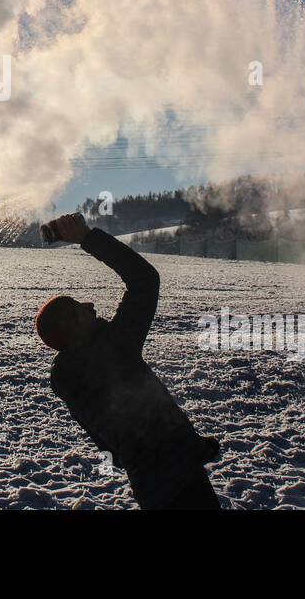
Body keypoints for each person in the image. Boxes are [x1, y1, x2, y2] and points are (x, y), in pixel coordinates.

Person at [37, 212, 221, 509]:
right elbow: (144, 279)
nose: (90, 305)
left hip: (150, 487)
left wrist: (192, 448)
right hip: (181, 485)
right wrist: (86, 237)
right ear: (74, 328)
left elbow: (119, 441)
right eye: (78, 307)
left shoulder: (71, 382)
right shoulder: (114, 347)